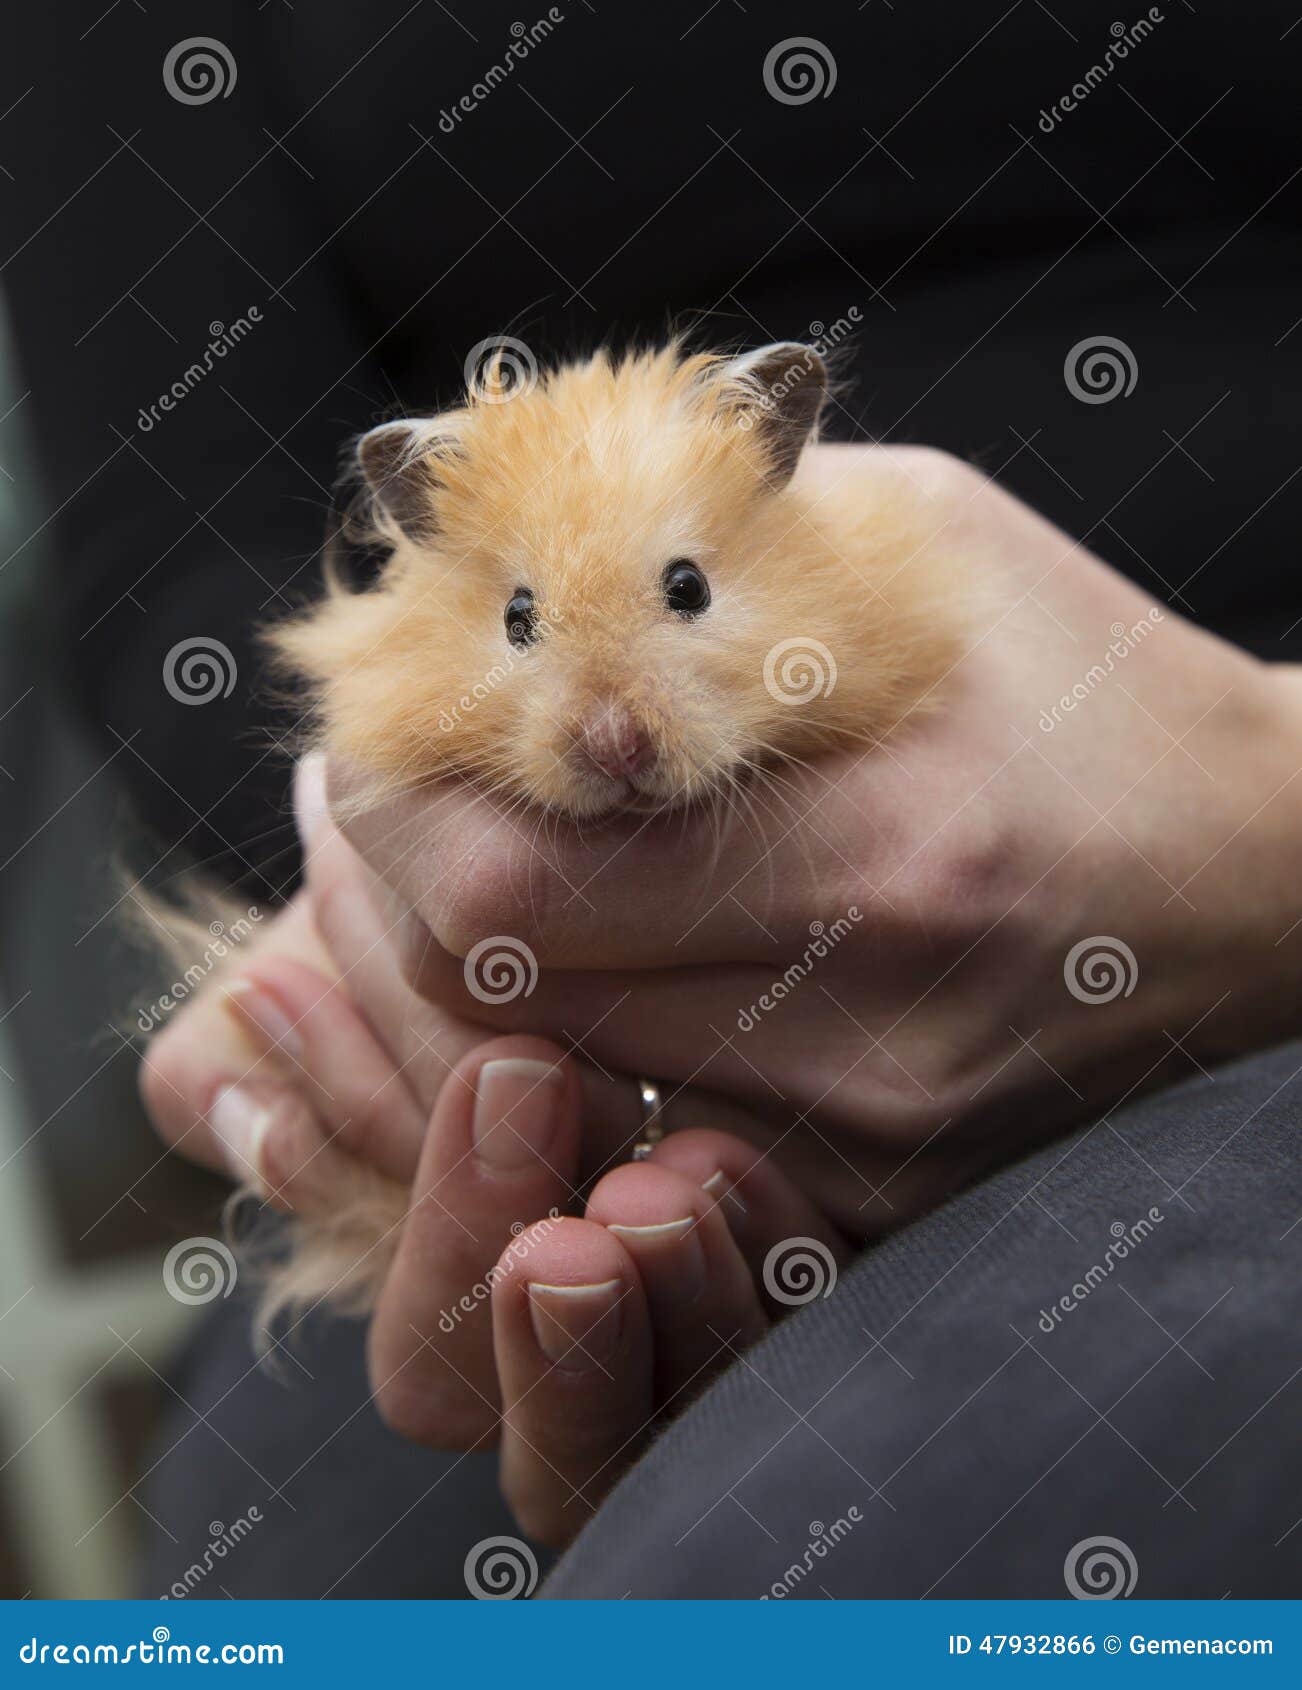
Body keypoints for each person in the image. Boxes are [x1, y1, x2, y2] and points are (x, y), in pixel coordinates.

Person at [8, 2, 1302, 1596]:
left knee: (954, 1509)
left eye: (682, 594)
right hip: (523, 1148)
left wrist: (1257, 816)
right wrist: (393, 927)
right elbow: (176, 555)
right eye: (528, 624)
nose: (610, 728)